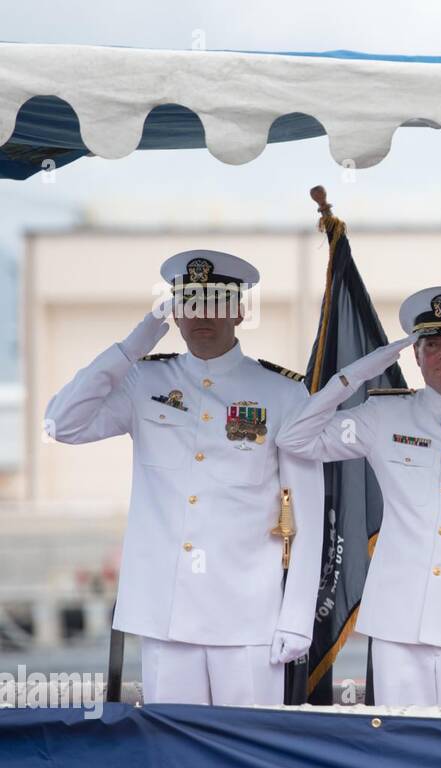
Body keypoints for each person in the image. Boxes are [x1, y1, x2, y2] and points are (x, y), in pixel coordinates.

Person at [44, 249, 323, 705]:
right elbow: (61, 425)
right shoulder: (142, 381)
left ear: (239, 310)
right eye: (189, 302)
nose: (201, 316)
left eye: (214, 302)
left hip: (248, 617)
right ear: (173, 311)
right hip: (165, 615)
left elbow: (305, 515)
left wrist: (295, 617)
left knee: (247, 758)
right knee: (173, 757)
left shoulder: (283, 393)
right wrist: (133, 345)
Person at [276, 286, 441, 706]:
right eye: (432, 346)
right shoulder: (383, 415)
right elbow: (295, 439)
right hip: (398, 624)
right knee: (399, 748)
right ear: (415, 356)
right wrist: (353, 376)